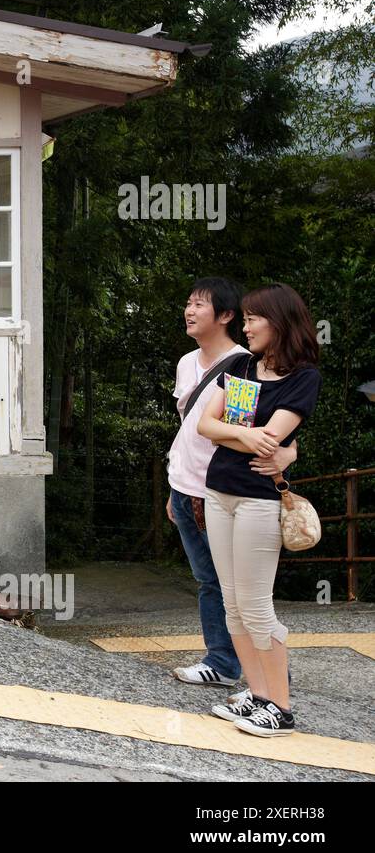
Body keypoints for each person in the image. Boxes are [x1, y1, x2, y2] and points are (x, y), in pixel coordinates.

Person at [197, 283, 321, 737]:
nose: (245, 327)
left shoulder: (305, 377)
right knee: (232, 605)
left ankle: (282, 709)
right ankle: (259, 694)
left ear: (279, 322)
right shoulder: (243, 366)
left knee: (255, 605)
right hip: (219, 491)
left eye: (253, 319)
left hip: (257, 500)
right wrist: (247, 437)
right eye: (244, 319)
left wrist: (250, 436)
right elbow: (207, 425)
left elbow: (273, 436)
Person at [166, 278, 280, 687]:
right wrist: (175, 488)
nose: (189, 311)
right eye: (188, 303)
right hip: (184, 486)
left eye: (199, 304)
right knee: (211, 580)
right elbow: (187, 428)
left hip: (216, 490)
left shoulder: (243, 364)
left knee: (229, 583)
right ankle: (238, 662)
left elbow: (236, 432)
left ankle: (232, 664)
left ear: (227, 315)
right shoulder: (185, 363)